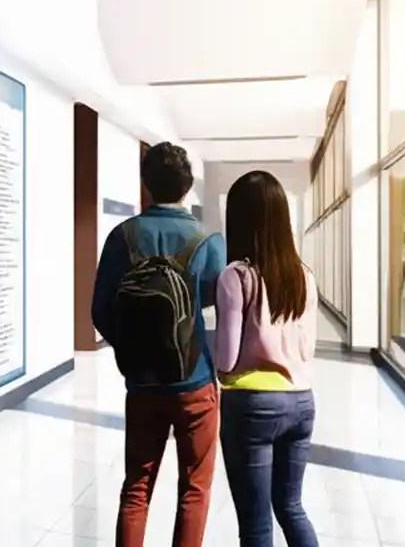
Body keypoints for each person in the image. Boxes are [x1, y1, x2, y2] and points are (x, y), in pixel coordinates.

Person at [91, 142, 226, 547]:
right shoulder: (208, 241)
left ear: (145, 183)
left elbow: (100, 311)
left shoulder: (122, 236)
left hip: (143, 384)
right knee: (194, 489)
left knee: (137, 487)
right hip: (194, 381)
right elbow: (214, 300)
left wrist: (134, 350)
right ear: (187, 188)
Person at [214, 170, 319, 547]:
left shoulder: (236, 276)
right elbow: (308, 348)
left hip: (252, 406)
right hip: (302, 401)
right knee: (291, 507)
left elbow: (226, 362)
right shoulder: (305, 276)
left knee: (257, 527)